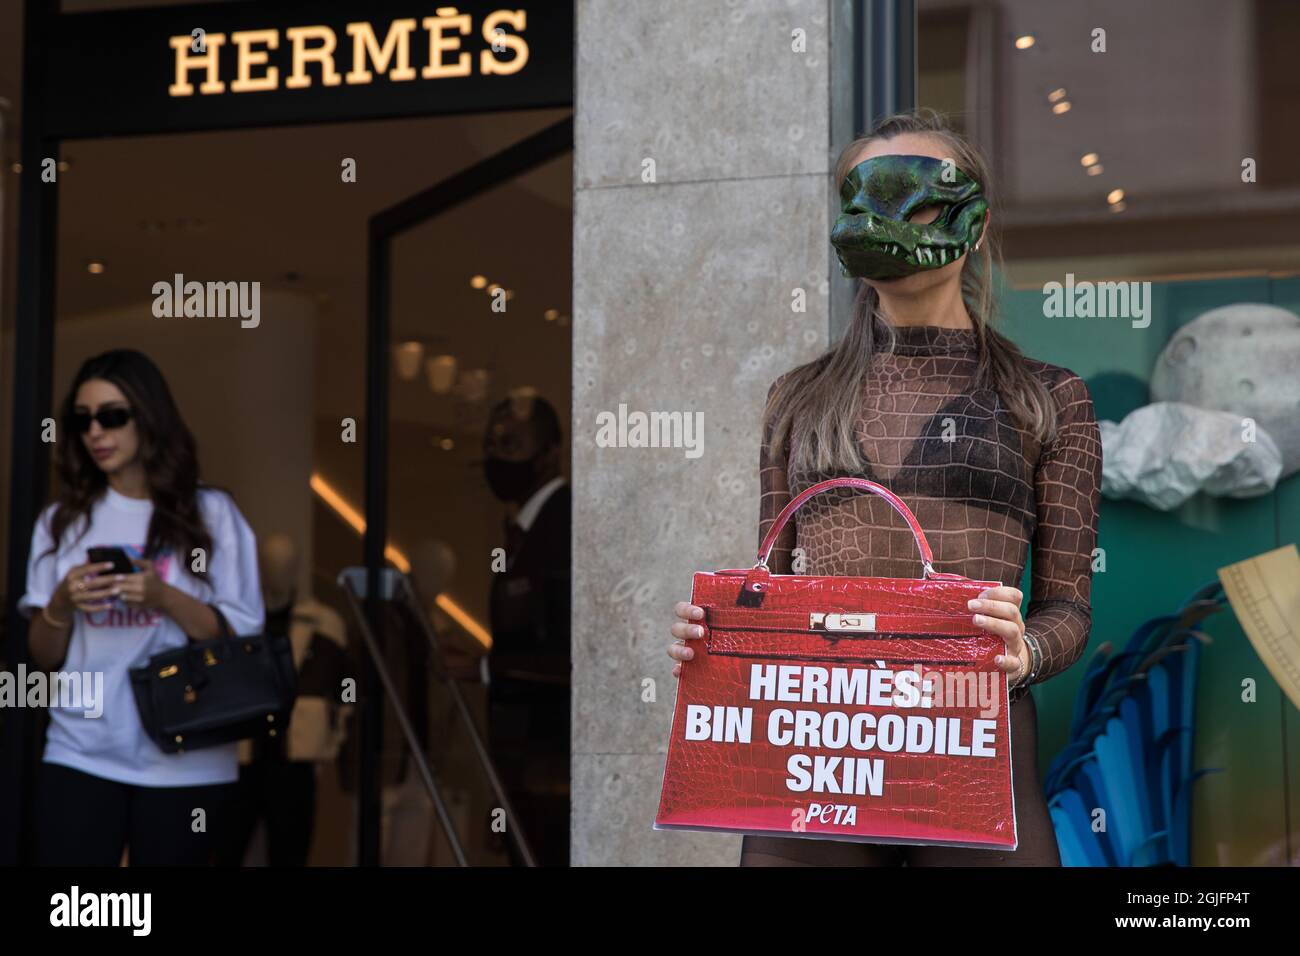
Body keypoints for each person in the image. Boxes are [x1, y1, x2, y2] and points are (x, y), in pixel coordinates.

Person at [666, 108, 1103, 866]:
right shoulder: (796, 398)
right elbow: (768, 586)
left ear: (975, 219)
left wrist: (1025, 653)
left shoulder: (1049, 397)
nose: (883, 217)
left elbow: (1068, 604)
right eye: (861, 196)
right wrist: (718, 637)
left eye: (918, 195)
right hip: (812, 735)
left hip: (972, 728)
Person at [20, 349, 263, 866]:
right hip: (80, 747)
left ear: (149, 417)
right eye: (82, 420)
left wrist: (165, 597)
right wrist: (62, 603)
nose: (96, 432)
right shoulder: (63, 521)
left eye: (112, 415)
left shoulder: (212, 515)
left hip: (188, 756)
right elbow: (43, 656)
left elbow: (239, 637)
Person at [482, 387, 571, 866]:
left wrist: (483, 668)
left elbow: (570, 653)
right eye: (491, 444)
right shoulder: (522, 532)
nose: (497, 456)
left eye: (511, 444)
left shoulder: (561, 528)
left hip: (552, 760)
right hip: (521, 762)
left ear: (549, 454)